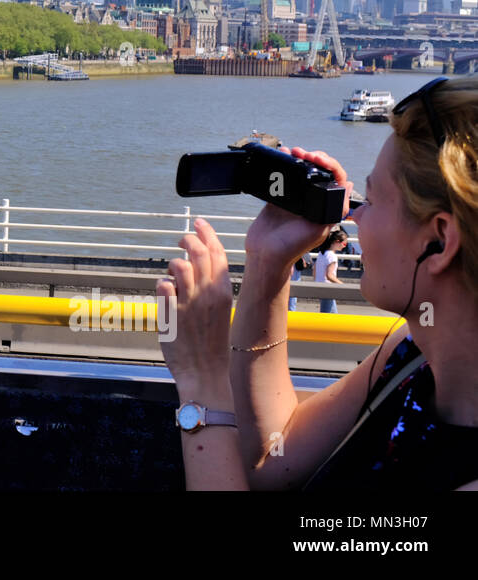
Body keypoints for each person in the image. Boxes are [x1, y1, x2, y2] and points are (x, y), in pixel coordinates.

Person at [157, 75, 478, 490]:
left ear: (439, 241)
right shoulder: (414, 355)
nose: (355, 217)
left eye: (374, 200)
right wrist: (270, 263)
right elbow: (271, 459)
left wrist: (202, 382)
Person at [313, 227, 348, 313]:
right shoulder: (332, 256)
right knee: (330, 316)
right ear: (337, 242)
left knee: (328, 314)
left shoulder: (322, 253)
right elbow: (329, 275)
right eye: (344, 244)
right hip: (328, 288)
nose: (344, 247)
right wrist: (343, 285)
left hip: (320, 286)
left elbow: (314, 269)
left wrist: (316, 281)